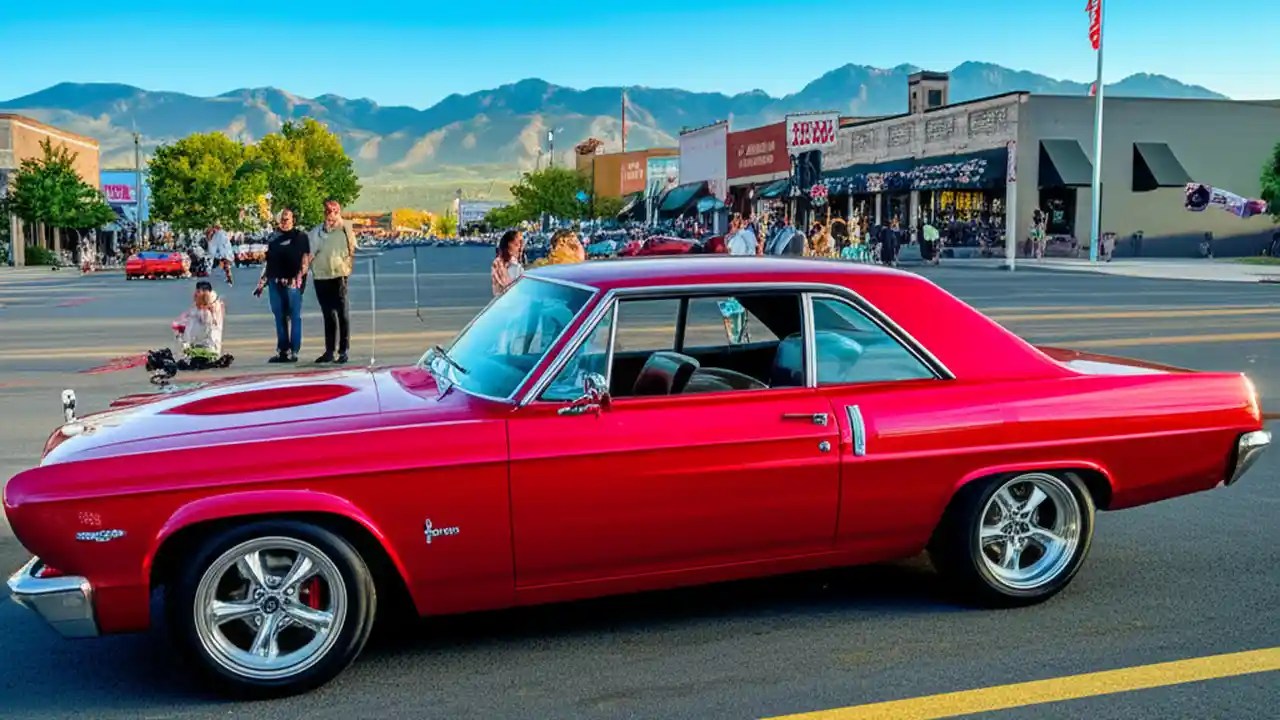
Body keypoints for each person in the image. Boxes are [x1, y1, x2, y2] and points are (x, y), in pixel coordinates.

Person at [254, 208, 311, 363]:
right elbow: (269, 262)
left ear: (293, 220)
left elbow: (306, 260)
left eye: (287, 219)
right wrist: (261, 283)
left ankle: (294, 351)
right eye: (281, 219)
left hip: (293, 283)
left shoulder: (301, 237)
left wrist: (299, 277)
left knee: (294, 317)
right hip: (275, 281)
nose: (284, 222)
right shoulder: (273, 238)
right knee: (279, 317)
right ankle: (282, 351)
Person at [310, 199, 357, 364]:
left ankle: (343, 351)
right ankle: (329, 351)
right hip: (321, 276)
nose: (331, 214)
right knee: (328, 314)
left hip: (339, 275)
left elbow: (352, 249)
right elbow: (310, 253)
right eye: (328, 211)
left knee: (342, 313)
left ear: (339, 212)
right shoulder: (317, 232)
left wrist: (348, 268)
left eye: (334, 211)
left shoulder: (346, 228)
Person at [492, 229, 524, 296]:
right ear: (509, 245)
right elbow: (508, 290)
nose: (520, 248)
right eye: (517, 244)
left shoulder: (515, 263)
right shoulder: (501, 263)